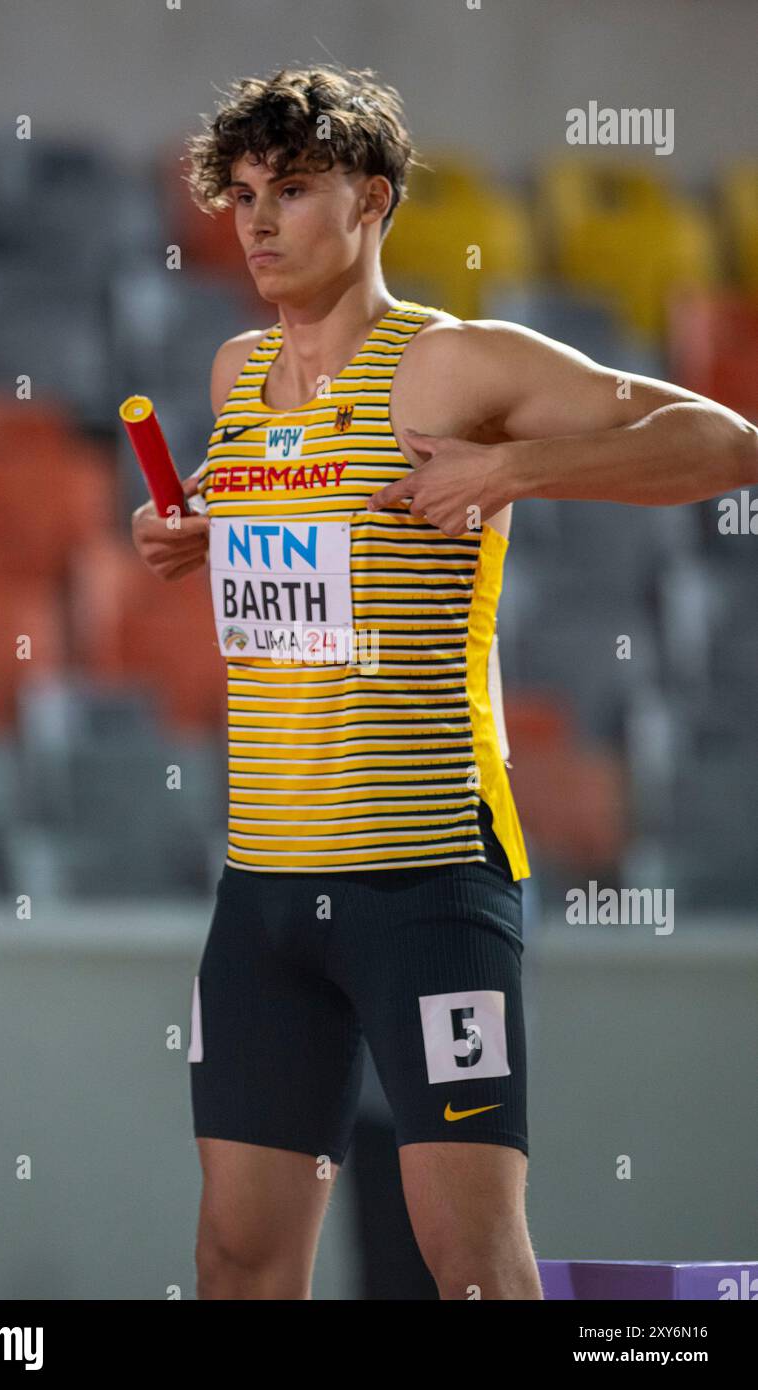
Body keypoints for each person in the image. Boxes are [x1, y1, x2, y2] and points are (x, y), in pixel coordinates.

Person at [131, 65, 757, 1300]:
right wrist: (196, 528)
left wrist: (512, 468)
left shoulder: (449, 364)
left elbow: (722, 441)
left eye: (292, 190)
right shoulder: (232, 380)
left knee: (465, 1265)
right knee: (235, 1256)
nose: (255, 222)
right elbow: (300, 537)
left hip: (419, 873)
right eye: (243, 193)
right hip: (262, 883)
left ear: (371, 200)